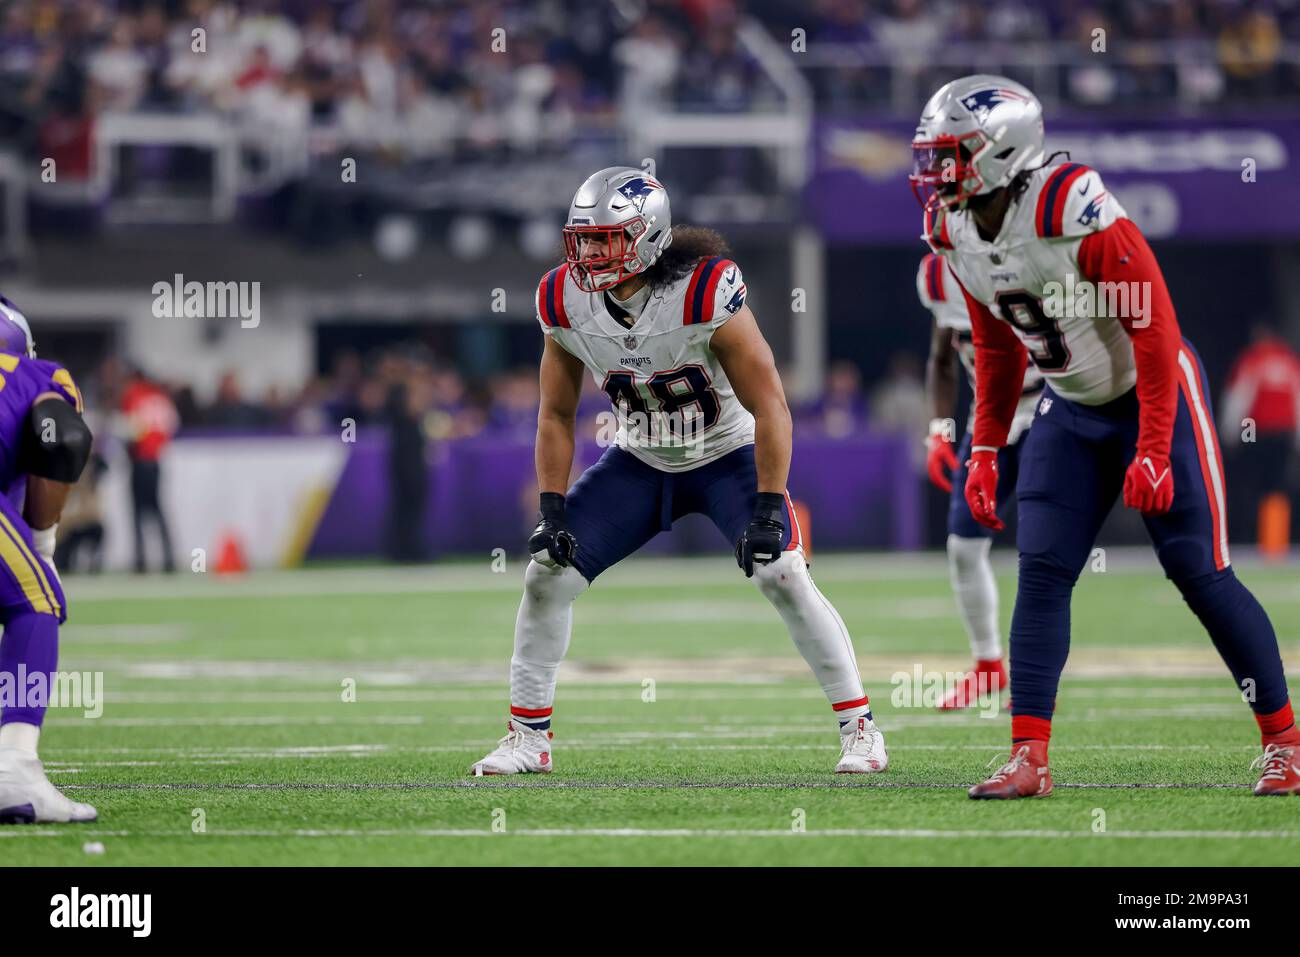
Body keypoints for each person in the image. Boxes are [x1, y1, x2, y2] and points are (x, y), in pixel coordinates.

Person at [909, 75, 1298, 797]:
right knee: (1043, 571)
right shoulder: (952, 227)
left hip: (1154, 391)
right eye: (932, 157)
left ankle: (1286, 742)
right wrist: (985, 448)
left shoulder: (1067, 203)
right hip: (1069, 405)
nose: (936, 174)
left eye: (951, 156)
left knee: (1199, 572)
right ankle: (1030, 756)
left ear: (1002, 152)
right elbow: (995, 347)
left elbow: (1154, 325)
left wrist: (1154, 445)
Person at [471, 163, 886, 776]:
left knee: (784, 575)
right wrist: (552, 509)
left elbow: (770, 401)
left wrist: (771, 505)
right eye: (581, 239)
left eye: (603, 239)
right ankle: (529, 739)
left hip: (727, 455)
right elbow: (556, 414)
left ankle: (861, 729)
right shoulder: (563, 298)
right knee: (545, 577)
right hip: (639, 458)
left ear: (648, 236)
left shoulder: (703, 289)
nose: (587, 254)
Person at [918, 251, 1043, 709]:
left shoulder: (1020, 261)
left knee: (1041, 547)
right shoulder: (936, 275)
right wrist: (938, 431)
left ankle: (1035, 672)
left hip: (1047, 413)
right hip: (989, 421)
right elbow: (942, 358)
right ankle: (989, 666)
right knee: (963, 547)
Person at [0, 296, 97, 823]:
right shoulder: (35, 374)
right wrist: (42, 546)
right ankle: (14, 767)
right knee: (34, 597)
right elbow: (62, 437)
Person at [119, 366, 178, 573]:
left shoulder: (133, 395)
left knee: (137, 512)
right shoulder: (160, 397)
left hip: (140, 459)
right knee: (158, 510)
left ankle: (141, 561)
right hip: (155, 459)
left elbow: (131, 430)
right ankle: (169, 558)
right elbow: (171, 424)